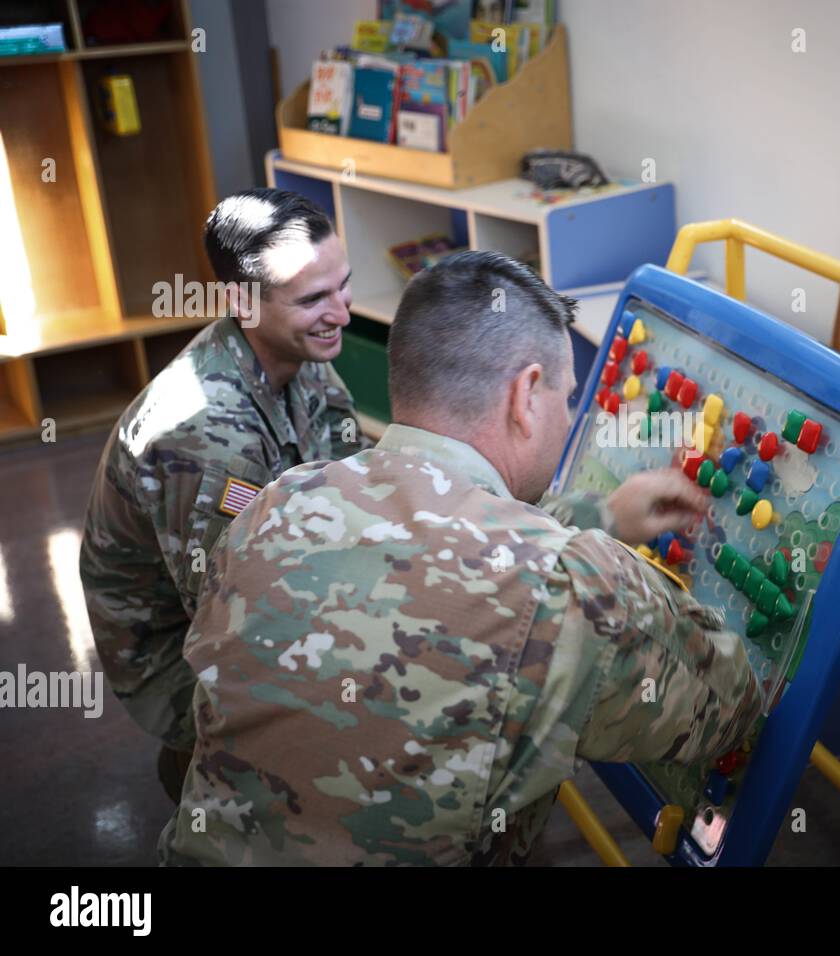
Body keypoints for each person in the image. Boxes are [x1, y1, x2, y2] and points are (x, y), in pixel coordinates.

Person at [159, 251, 762, 865]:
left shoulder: (276, 502)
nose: (565, 418)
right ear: (526, 395)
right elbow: (732, 701)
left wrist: (600, 516)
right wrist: (621, 569)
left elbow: (438, 547)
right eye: (566, 398)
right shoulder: (574, 587)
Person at [80, 188, 367, 800]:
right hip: (180, 658)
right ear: (241, 302)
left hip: (265, 583)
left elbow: (347, 471)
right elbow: (231, 625)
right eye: (315, 298)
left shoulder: (300, 348)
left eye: (343, 285)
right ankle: (202, 773)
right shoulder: (205, 435)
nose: (343, 312)